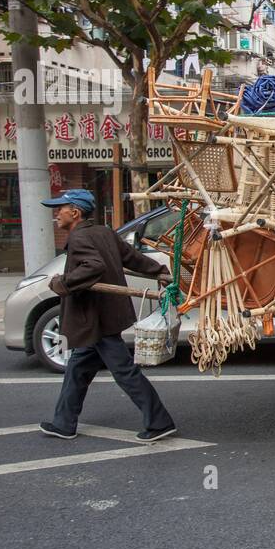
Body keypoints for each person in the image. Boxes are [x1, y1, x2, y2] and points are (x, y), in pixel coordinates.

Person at [37, 189, 179, 442]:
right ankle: (63, 423)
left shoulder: (80, 238)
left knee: (124, 371)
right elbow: (133, 258)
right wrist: (160, 271)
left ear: (75, 212)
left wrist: (64, 283)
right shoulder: (104, 232)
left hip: (95, 318)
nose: (56, 213)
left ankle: (159, 422)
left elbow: (94, 266)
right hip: (102, 316)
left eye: (60, 208)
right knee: (77, 369)